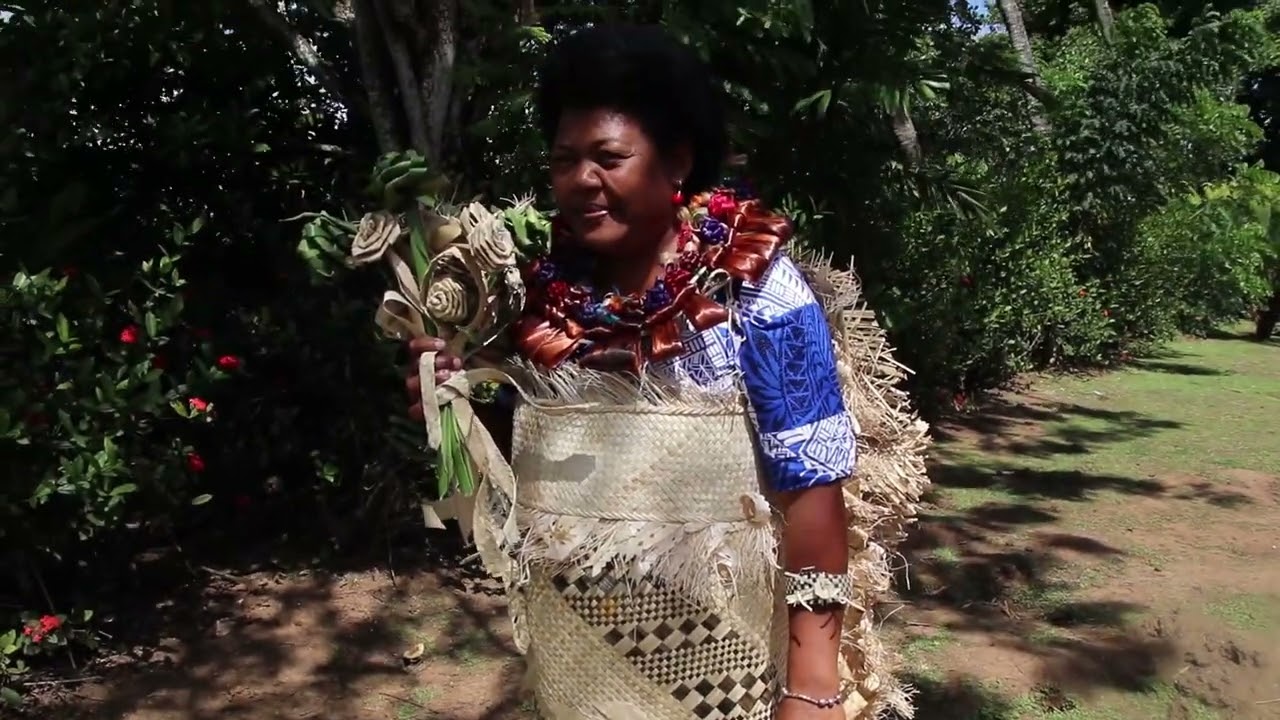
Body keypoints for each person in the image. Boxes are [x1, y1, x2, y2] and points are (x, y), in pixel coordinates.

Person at [405, 23, 922, 720]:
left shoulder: (759, 294)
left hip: (725, 669)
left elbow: (814, 489)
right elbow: (541, 473)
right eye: (563, 160)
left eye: (608, 157)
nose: (581, 181)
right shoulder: (537, 298)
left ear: (677, 161)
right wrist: (458, 408)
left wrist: (812, 685)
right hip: (581, 663)